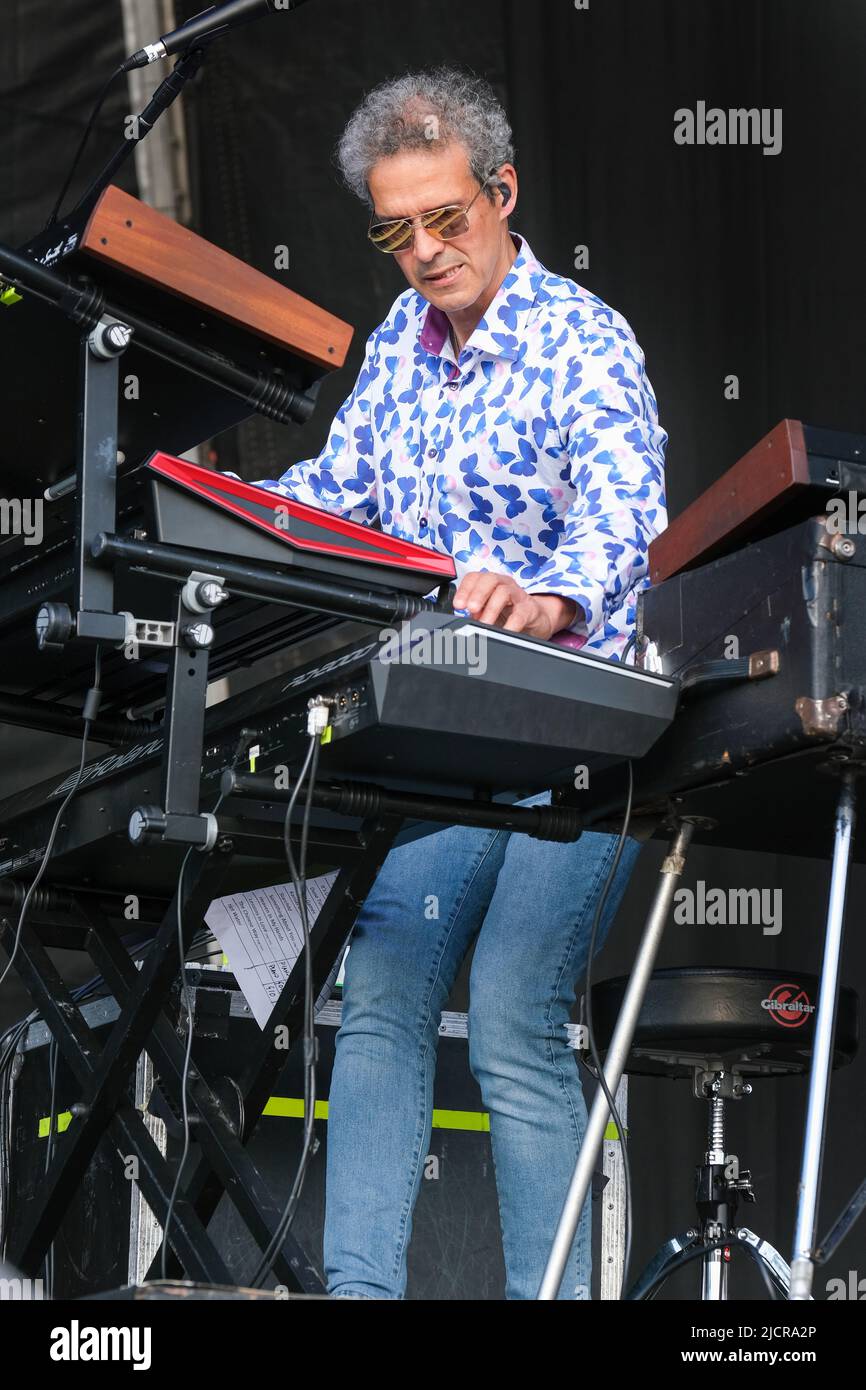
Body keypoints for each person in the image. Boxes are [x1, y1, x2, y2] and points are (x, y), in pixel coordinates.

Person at [252, 67, 667, 1299]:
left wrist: (548, 600)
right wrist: (215, 509)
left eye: (445, 218)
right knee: (378, 987)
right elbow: (338, 494)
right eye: (395, 230)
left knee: (509, 1018)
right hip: (451, 724)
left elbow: (620, 512)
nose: (424, 252)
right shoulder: (398, 344)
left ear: (502, 193)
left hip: (578, 720)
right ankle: (359, 1295)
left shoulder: (580, 336)